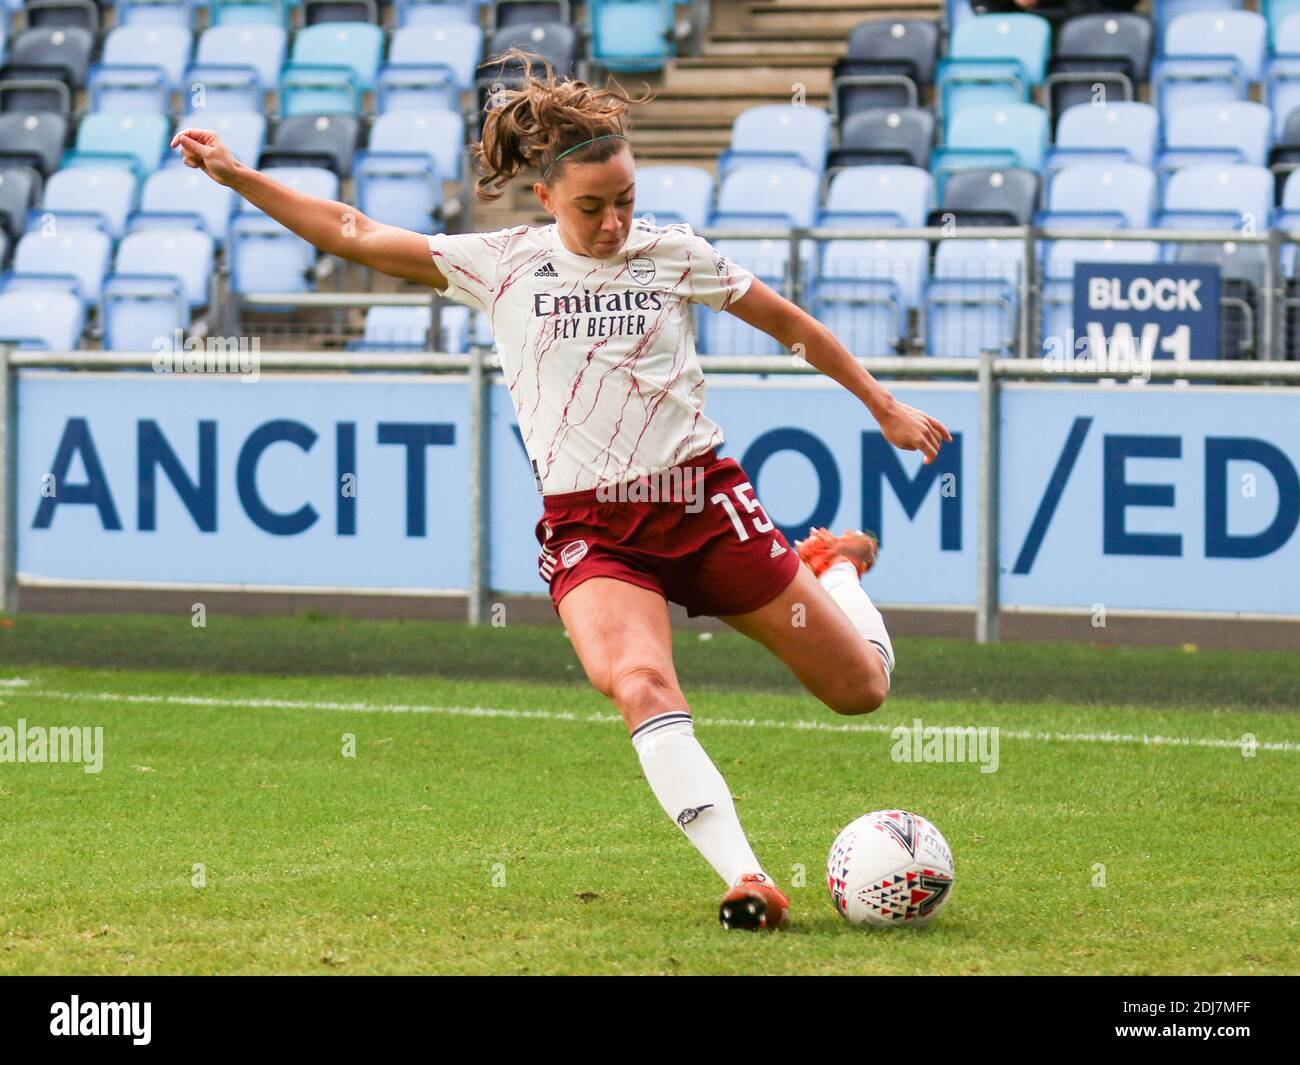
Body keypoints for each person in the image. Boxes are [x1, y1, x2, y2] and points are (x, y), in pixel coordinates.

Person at [170, 48, 951, 931]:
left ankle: (839, 566)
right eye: (593, 207)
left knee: (861, 691)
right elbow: (350, 229)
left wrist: (884, 405)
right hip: (594, 529)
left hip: (705, 503)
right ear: (545, 198)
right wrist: (238, 176)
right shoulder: (501, 264)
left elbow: (790, 324)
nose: (616, 221)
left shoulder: (671, 252)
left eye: (625, 200)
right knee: (641, 682)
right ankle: (747, 877)